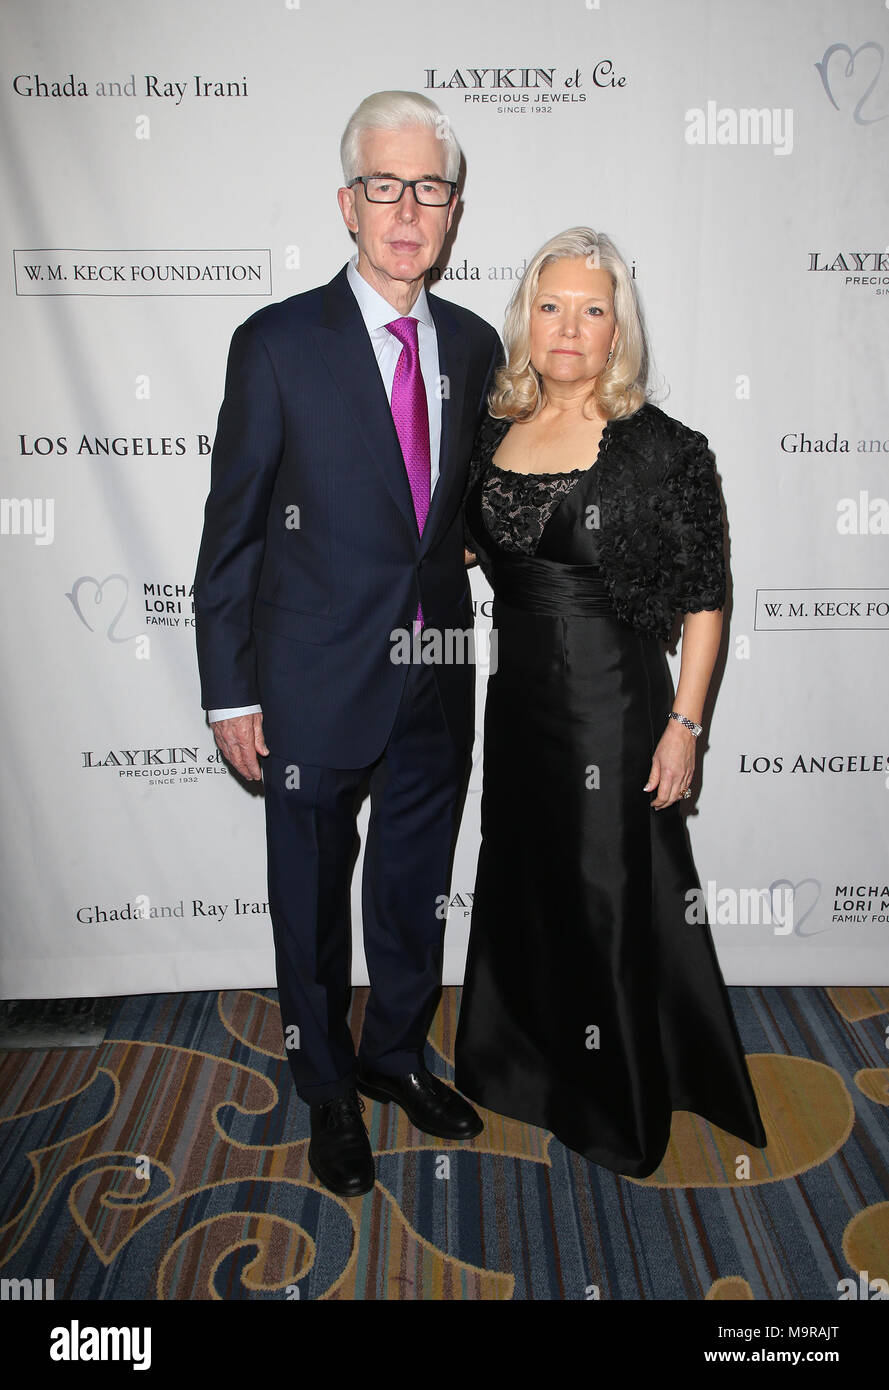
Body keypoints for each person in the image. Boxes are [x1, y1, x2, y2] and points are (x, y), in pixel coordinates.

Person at [194, 91, 501, 1198]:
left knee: (415, 887)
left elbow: (445, 504)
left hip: (435, 680)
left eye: (429, 188)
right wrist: (229, 692)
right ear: (347, 202)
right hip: (312, 681)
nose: (406, 208)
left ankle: (393, 1056)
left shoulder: (473, 343)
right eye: (385, 185)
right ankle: (325, 1084)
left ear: (452, 211)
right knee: (312, 901)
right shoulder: (275, 343)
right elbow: (231, 528)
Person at [453, 227, 768, 1179]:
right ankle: (520, 1065)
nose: (569, 327)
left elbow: (705, 599)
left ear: (617, 329)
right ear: (526, 317)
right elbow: (478, 544)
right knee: (525, 881)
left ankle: (613, 1099)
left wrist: (686, 727)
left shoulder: (661, 450)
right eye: (551, 305)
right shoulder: (491, 429)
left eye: (594, 310)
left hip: (614, 709)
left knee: (605, 895)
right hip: (517, 713)